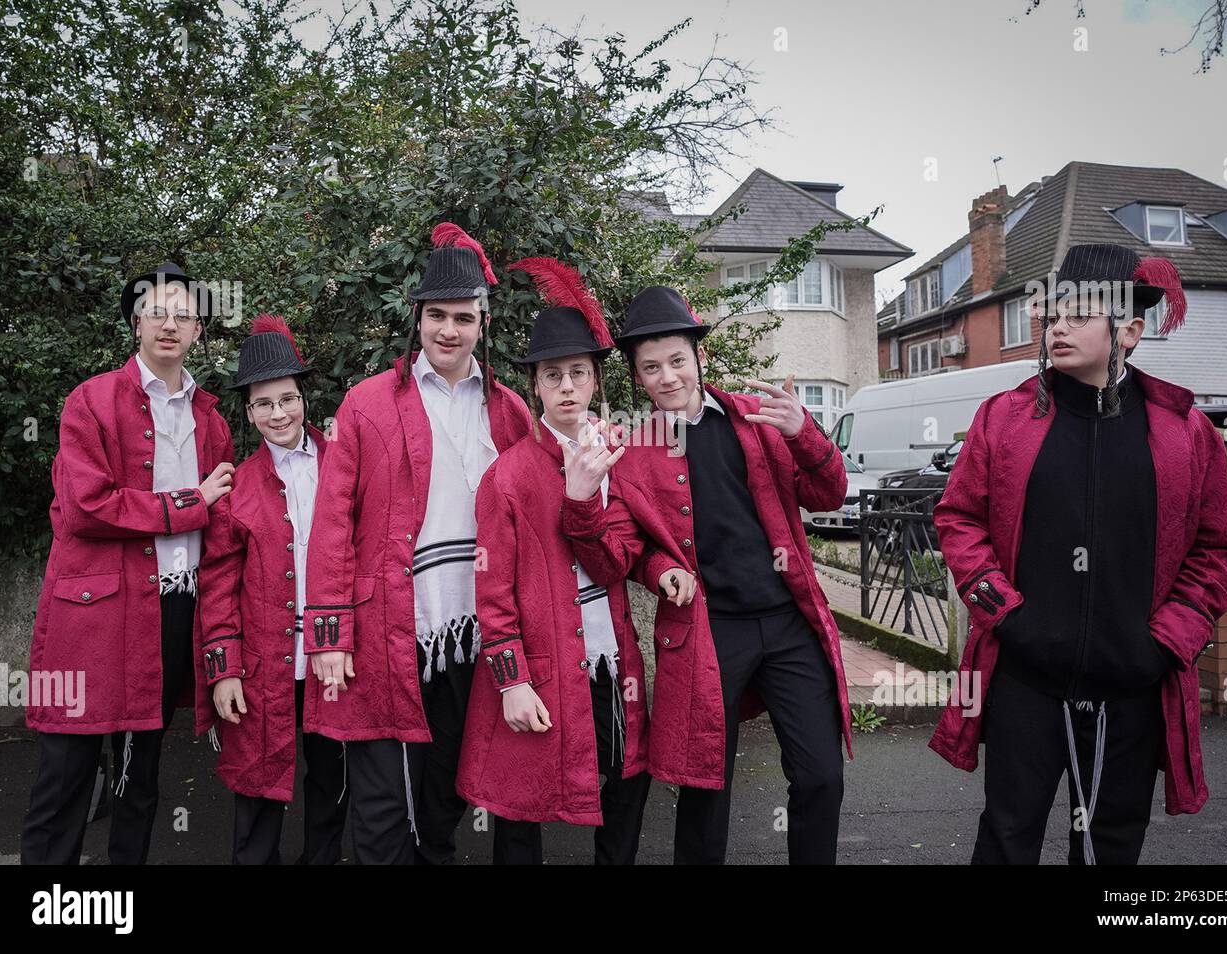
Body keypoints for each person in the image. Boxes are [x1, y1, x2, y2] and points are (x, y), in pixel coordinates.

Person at [928, 243, 1227, 864]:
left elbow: (1219, 548)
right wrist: (1006, 614)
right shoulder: (1004, 419)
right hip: (1026, 678)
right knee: (1006, 838)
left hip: (1131, 685)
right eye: (1052, 315)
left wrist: (1165, 642)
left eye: (1079, 314)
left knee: (1108, 848)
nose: (1058, 327)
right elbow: (959, 519)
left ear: (1128, 330)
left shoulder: (1187, 432)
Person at [560, 285, 853, 864]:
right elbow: (621, 553)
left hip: (788, 622)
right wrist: (659, 565)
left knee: (820, 777)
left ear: (699, 357)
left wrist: (803, 432)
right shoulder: (632, 448)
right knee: (702, 786)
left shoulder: (759, 419)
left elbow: (828, 494)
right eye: (651, 368)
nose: (667, 377)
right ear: (637, 377)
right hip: (707, 630)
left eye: (676, 360)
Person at [303, 223, 531, 864]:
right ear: (418, 318)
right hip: (389, 631)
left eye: (463, 317)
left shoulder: (508, 411)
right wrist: (329, 633)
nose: (449, 330)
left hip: (476, 631)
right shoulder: (367, 402)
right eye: (437, 316)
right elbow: (331, 524)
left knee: (443, 800)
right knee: (382, 811)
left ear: (482, 323)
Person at [21, 262, 236, 864]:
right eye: (156, 311)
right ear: (135, 323)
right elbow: (87, 508)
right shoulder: (89, 401)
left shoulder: (212, 421)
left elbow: (222, 531)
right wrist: (189, 502)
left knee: (140, 777)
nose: (170, 323)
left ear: (198, 330)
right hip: (90, 614)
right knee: (65, 776)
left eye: (184, 314)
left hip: (173, 607)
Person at [456, 257, 664, 864]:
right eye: (553, 376)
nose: (567, 387)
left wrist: (585, 504)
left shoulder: (617, 457)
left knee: (628, 781)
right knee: (520, 805)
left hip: (612, 653)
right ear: (535, 387)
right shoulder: (507, 478)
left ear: (596, 380)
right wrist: (510, 681)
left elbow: (616, 562)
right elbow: (491, 594)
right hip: (541, 662)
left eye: (578, 372)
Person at [196, 313, 349, 864]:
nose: (278, 413)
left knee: (332, 785)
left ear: (303, 398)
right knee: (257, 788)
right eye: (264, 403)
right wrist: (224, 670)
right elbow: (216, 585)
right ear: (249, 411)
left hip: (335, 658)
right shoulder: (236, 486)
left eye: (287, 399)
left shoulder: (342, 466)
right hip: (265, 665)